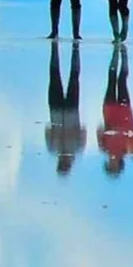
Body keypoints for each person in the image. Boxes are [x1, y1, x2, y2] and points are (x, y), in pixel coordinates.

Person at [45, 43, 85, 176]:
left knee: (56, 76)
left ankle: (58, 51)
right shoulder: (75, 148)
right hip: (68, 113)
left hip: (58, 112)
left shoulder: (54, 148)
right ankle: (73, 51)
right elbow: (82, 131)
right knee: (71, 78)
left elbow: (48, 131)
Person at [98, 45, 133, 178]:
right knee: (122, 82)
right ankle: (124, 57)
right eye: (113, 166)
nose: (112, 162)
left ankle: (116, 55)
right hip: (124, 112)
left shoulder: (105, 148)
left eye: (110, 165)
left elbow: (100, 131)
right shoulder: (127, 149)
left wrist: (106, 129)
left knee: (111, 80)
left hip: (110, 111)